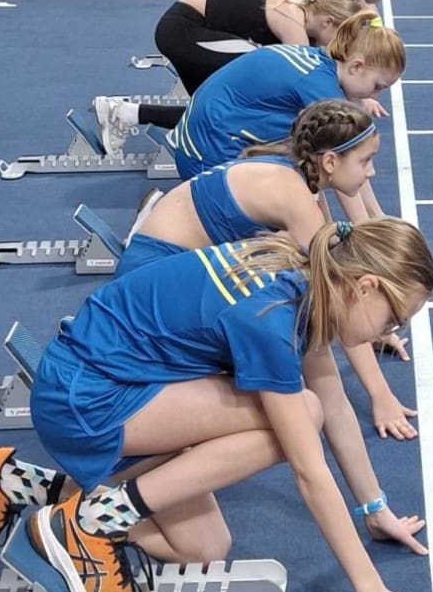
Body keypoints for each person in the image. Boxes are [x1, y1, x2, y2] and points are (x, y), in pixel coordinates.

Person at [0, 219, 433, 592]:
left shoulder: (308, 282)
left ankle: (8, 481)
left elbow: (336, 406)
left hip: (102, 381)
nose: (389, 332)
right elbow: (310, 470)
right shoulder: (270, 319)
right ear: (365, 286)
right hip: (84, 396)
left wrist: (376, 511)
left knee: (202, 549)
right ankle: (87, 525)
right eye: (393, 318)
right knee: (298, 417)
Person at [118, 100, 416, 438]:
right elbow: (336, 286)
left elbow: (333, 259)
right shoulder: (295, 197)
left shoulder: (299, 177)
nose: (372, 172)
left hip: (156, 263)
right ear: (330, 162)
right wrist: (381, 395)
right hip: (151, 273)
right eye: (366, 161)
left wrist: (374, 324)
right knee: (284, 391)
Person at [95, 0, 366, 150]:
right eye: (342, 36)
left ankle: (125, 113)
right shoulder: (292, 21)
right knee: (244, 92)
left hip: (188, 29)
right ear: (328, 22)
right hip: (183, 29)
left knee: (209, 111)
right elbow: (305, 76)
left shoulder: (296, 7)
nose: (340, 46)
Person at [167, 15, 406, 191]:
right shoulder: (322, 89)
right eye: (377, 87)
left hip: (203, 136)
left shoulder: (319, 63)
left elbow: (315, 169)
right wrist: (366, 224)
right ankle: (172, 216)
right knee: (262, 227)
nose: (375, 96)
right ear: (356, 67)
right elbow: (338, 168)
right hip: (205, 153)